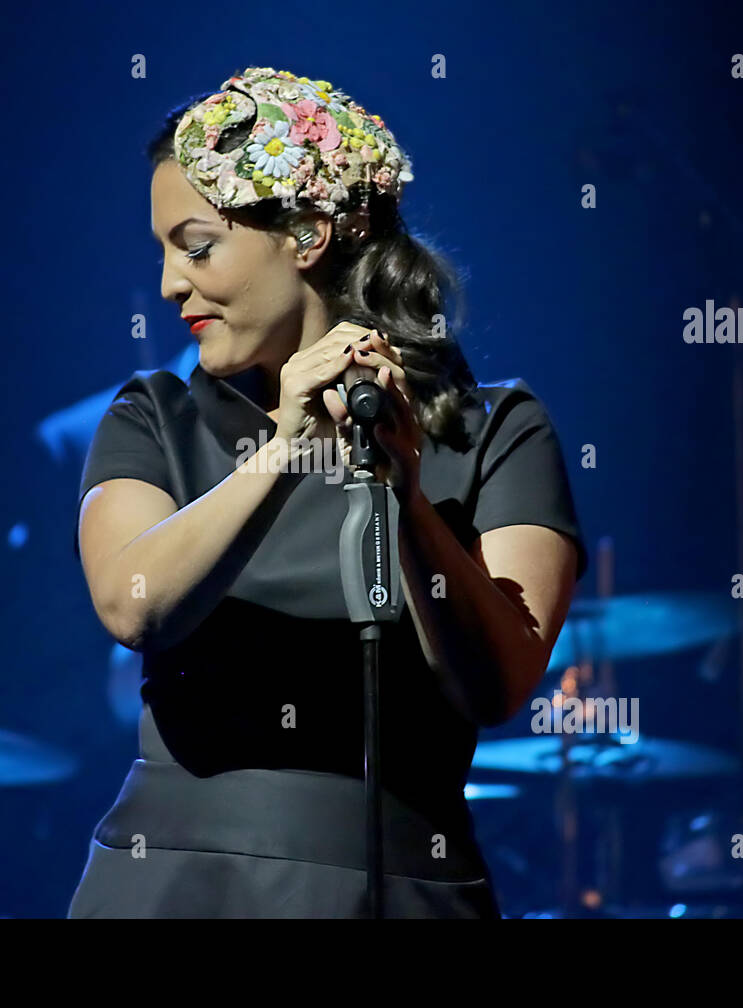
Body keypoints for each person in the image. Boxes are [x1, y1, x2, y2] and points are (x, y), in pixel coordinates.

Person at [67, 66, 588, 918]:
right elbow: (135, 607)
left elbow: (495, 684)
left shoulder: (496, 430)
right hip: (175, 885)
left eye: (195, 246)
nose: (170, 284)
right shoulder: (153, 419)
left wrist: (408, 497)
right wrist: (282, 451)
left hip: (401, 883)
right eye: (164, 252)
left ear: (307, 234)